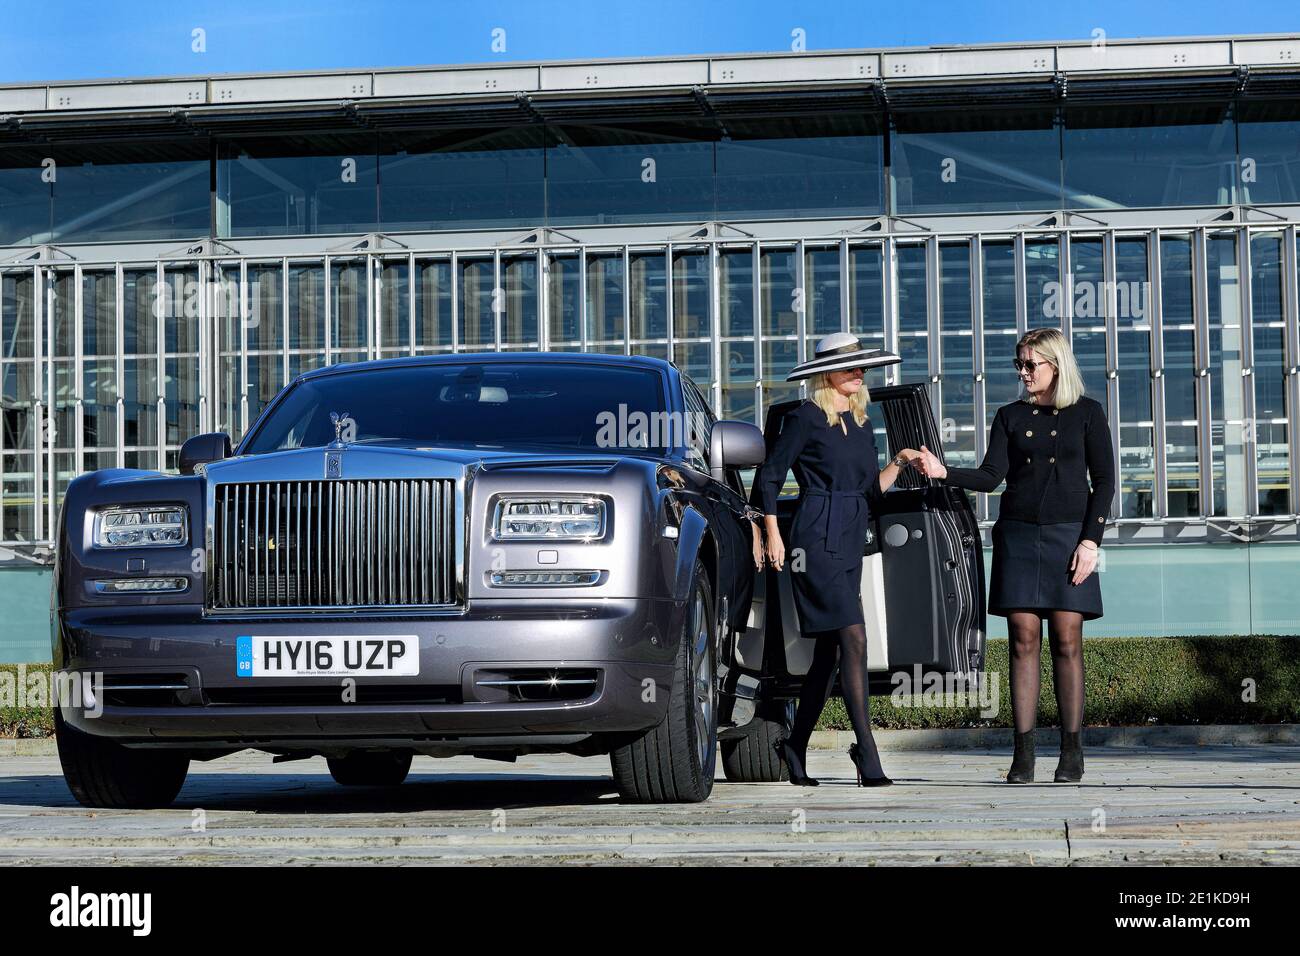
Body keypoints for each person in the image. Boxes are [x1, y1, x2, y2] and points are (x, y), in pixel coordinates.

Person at [915, 328, 1115, 783]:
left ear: (1056, 365)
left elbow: (1104, 481)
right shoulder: (1008, 415)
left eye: (1031, 365)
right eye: (1019, 365)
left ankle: (1071, 753)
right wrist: (944, 472)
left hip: (1070, 537)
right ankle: (1023, 756)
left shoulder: (1088, 413)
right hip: (1019, 538)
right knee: (1023, 639)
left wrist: (1091, 542)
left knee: (1067, 638)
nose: (1023, 373)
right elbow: (990, 476)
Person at [755, 333, 924, 787]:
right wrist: (771, 533)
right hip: (813, 539)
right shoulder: (806, 418)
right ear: (825, 373)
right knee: (853, 637)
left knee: (828, 656)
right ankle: (866, 751)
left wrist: (901, 462)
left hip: (850, 537)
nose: (859, 373)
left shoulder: (863, 422)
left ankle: (794, 745)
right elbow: (768, 478)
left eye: (862, 367)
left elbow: (870, 490)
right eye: (850, 366)